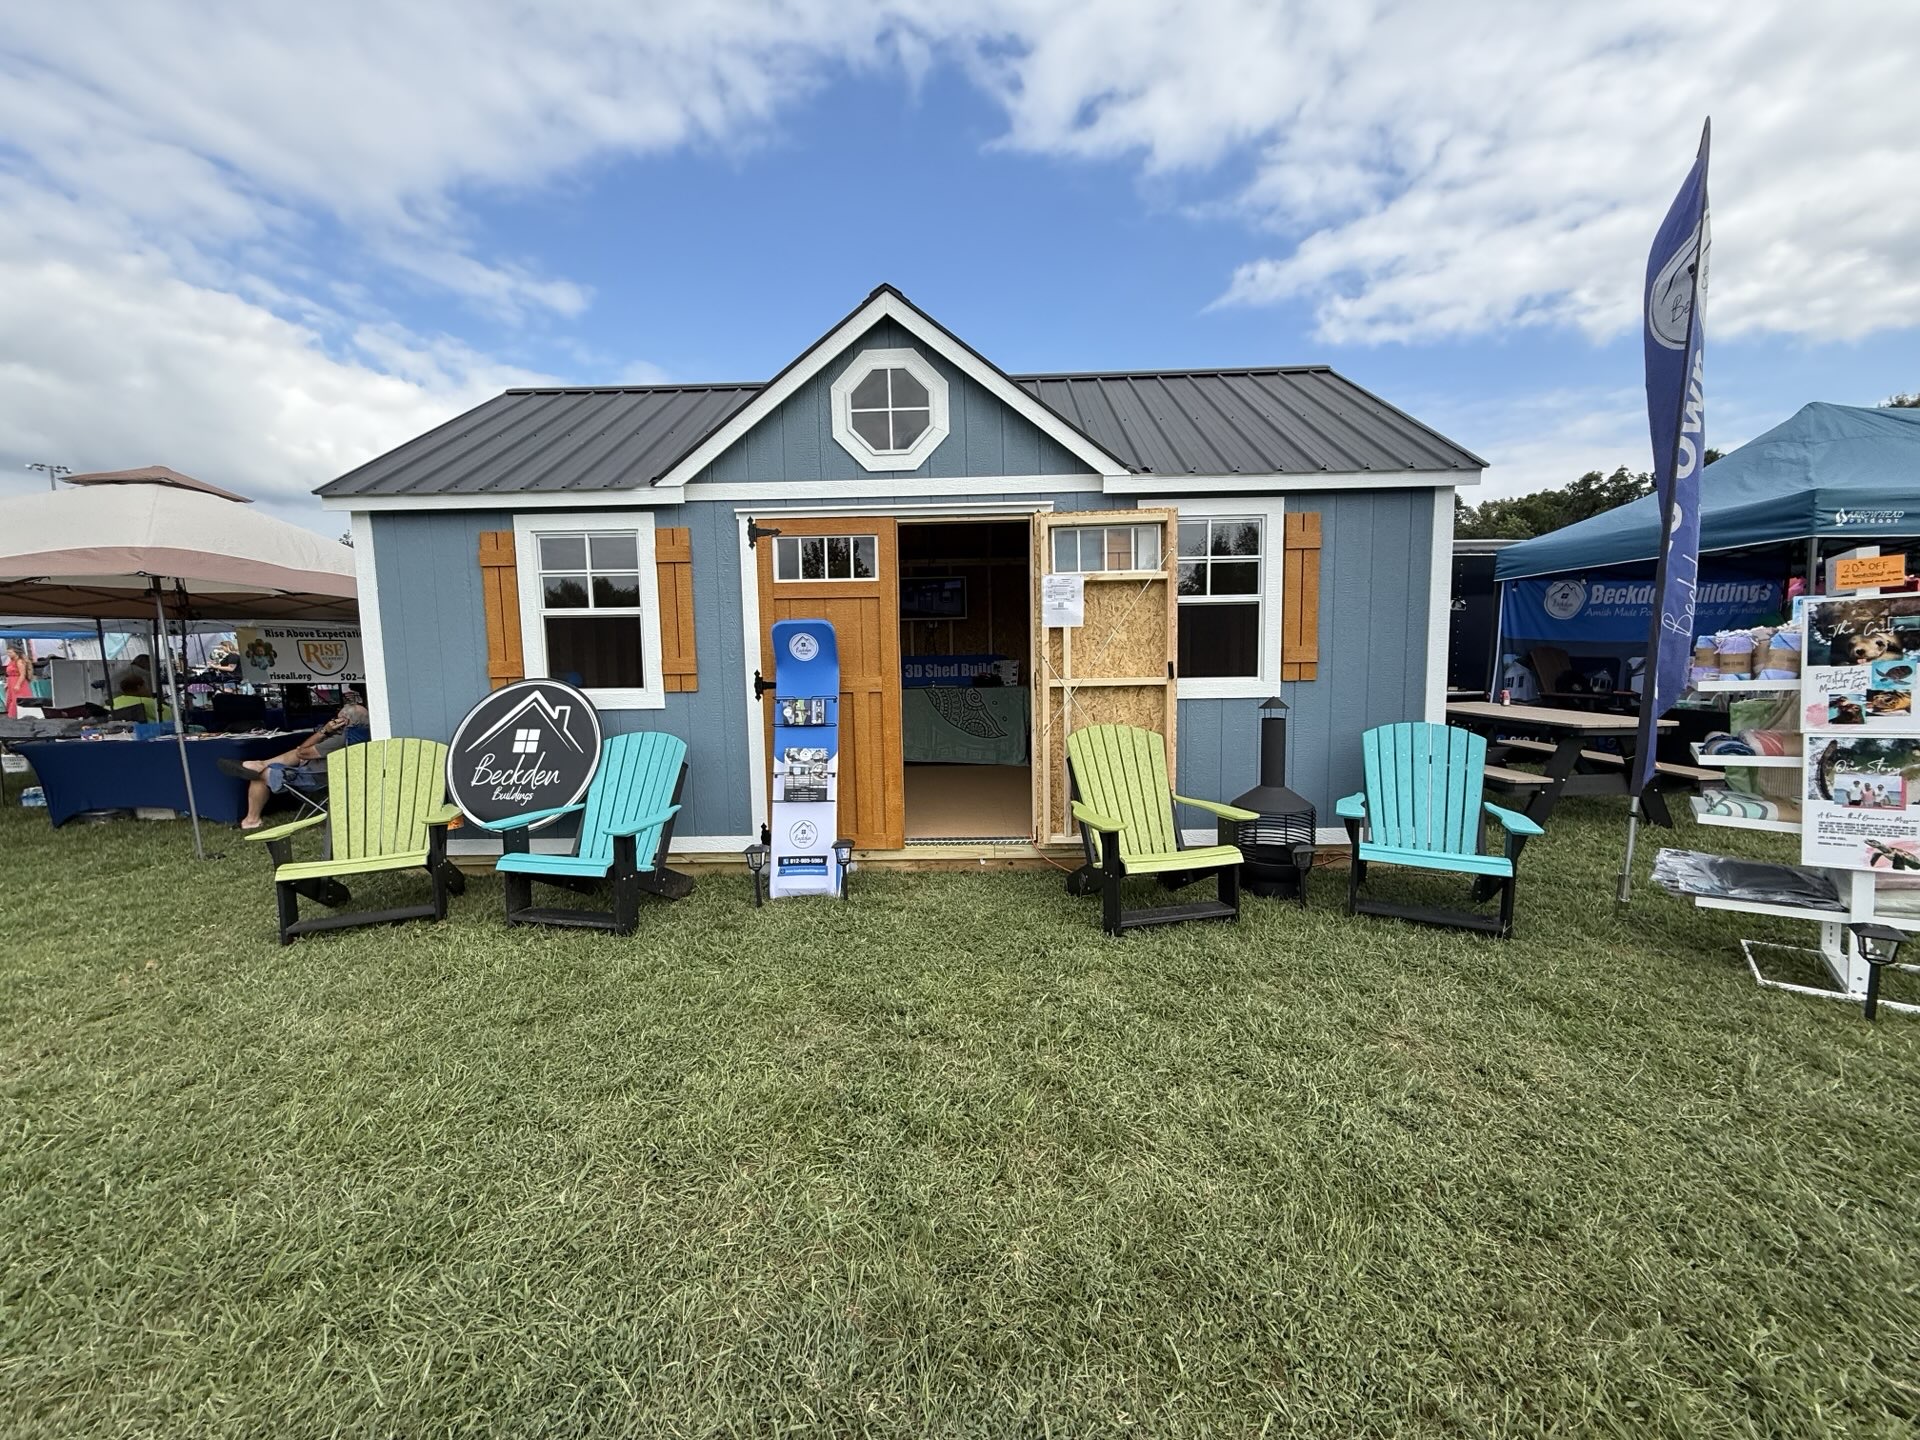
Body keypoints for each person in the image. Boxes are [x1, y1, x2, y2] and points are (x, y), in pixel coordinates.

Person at [226, 689, 370, 830]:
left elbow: (301, 751)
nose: (333, 721)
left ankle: (252, 820)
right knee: (290, 758)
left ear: (344, 720)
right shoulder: (363, 735)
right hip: (335, 774)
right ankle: (260, 763)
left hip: (314, 777)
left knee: (257, 775)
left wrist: (324, 731)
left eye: (335, 718)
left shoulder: (340, 739)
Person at [4, 645, 29, 719]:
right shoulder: (11, 661)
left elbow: (22, 674)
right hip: (11, 682)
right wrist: (7, 683)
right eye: (8, 652)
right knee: (10, 699)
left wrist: (18, 684)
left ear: (16, 652)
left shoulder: (19, 661)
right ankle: (11, 715)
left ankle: (14, 715)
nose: (8, 654)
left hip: (18, 681)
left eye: (10, 652)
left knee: (16, 700)